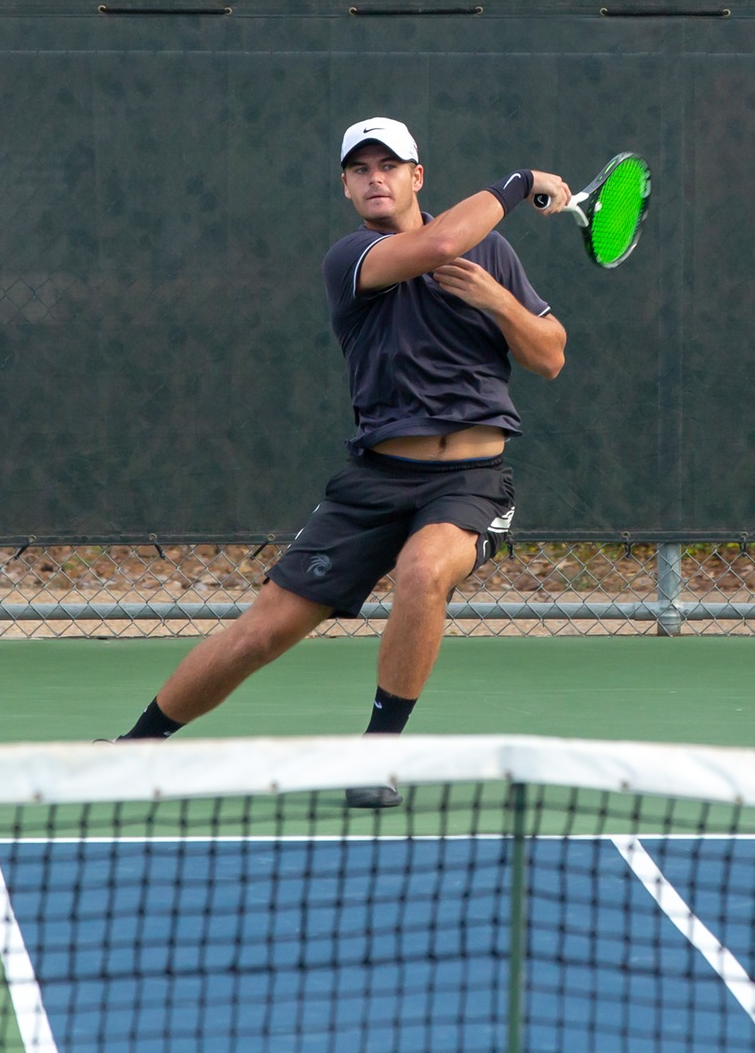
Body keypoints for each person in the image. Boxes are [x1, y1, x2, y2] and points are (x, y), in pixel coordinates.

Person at [112, 117, 572, 807]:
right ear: (347, 188)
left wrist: (498, 299)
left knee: (423, 571)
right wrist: (523, 181)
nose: (375, 176)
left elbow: (551, 355)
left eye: (390, 164)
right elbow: (441, 240)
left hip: (470, 481)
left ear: (418, 177)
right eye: (361, 168)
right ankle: (134, 750)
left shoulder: (494, 254)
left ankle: (377, 754)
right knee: (262, 631)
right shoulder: (351, 258)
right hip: (375, 481)